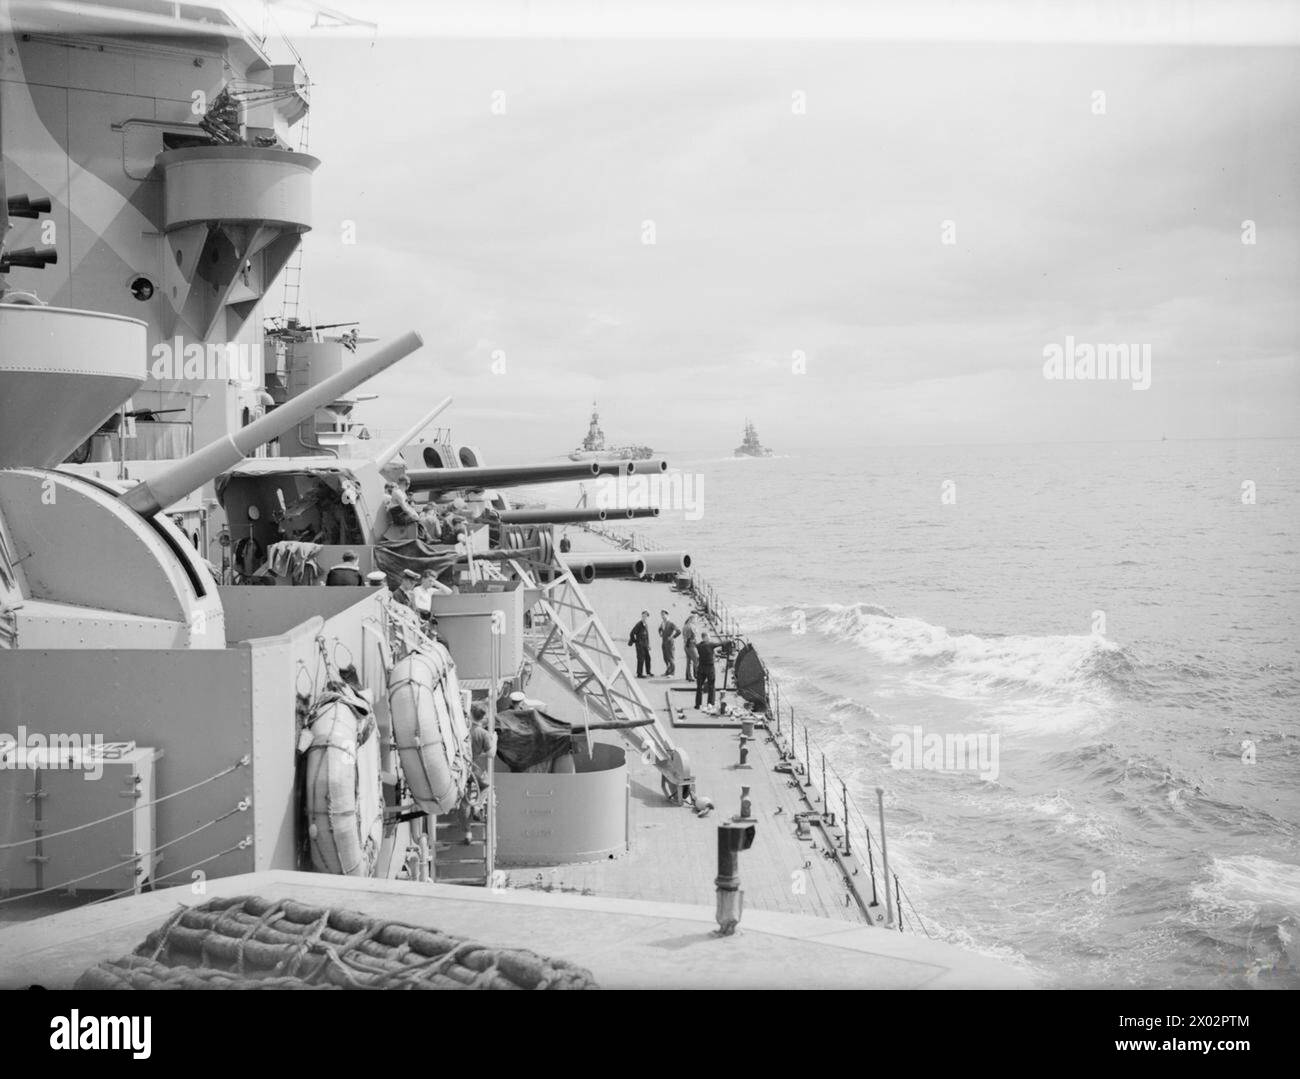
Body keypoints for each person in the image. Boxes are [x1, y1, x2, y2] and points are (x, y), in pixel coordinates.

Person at [694, 629, 718, 711]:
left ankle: (698, 704)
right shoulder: (710, 644)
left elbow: (694, 644)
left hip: (701, 668)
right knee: (711, 685)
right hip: (710, 668)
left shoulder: (698, 646)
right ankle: (710, 703)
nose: (710, 637)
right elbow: (721, 643)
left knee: (699, 687)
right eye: (709, 636)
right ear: (705, 637)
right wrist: (729, 640)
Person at [627, 610, 653, 678]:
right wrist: (635, 641)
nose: (645, 617)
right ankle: (639, 674)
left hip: (645, 644)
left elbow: (647, 636)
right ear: (642, 616)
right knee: (641, 659)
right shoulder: (639, 624)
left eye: (646, 616)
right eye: (643, 616)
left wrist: (648, 645)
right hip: (640, 645)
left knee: (648, 658)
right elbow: (632, 633)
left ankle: (648, 672)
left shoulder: (646, 624)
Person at [658, 610, 680, 677]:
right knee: (665, 658)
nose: (662, 616)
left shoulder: (671, 623)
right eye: (661, 615)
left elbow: (678, 631)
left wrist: (672, 637)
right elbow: (659, 629)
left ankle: (672, 673)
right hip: (664, 642)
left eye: (664, 614)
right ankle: (667, 671)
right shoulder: (662, 623)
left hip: (670, 643)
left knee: (671, 658)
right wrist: (660, 633)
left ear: (667, 615)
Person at [682, 614, 699, 681]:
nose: (696, 621)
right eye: (696, 619)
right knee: (696, 661)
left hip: (686, 646)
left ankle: (688, 676)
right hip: (691, 645)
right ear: (692, 619)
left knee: (688, 662)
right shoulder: (691, 627)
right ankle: (696, 675)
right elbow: (690, 638)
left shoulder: (685, 626)